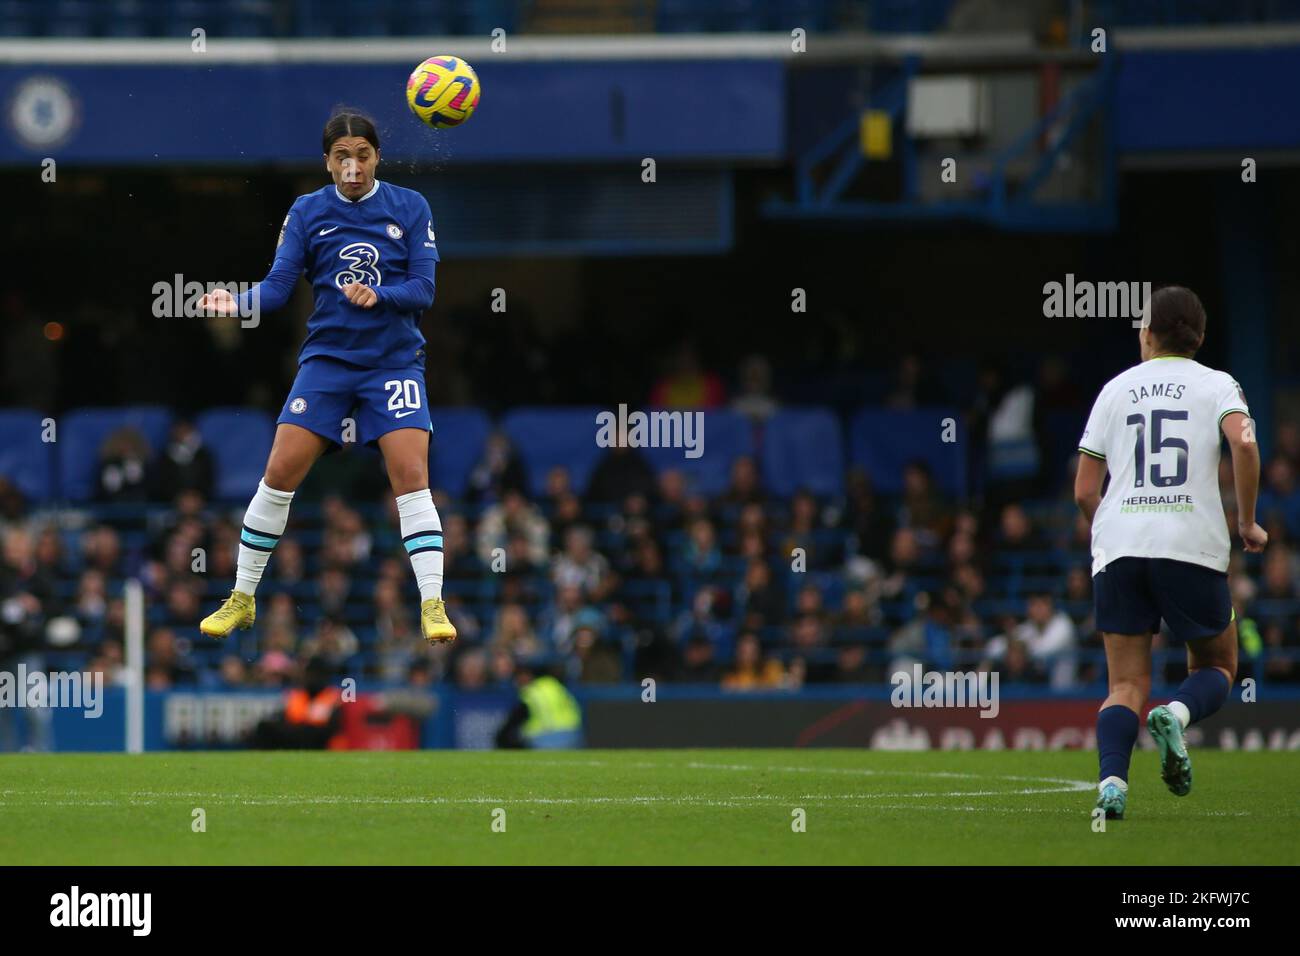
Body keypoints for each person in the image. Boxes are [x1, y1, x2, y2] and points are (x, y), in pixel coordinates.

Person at [198, 109, 455, 645]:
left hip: (393, 363)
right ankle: (242, 597)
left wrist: (379, 294)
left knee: (411, 474)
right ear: (327, 162)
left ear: (376, 157)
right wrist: (236, 300)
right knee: (280, 470)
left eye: (362, 155)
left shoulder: (410, 207)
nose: (353, 166)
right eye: (343, 157)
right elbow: (276, 288)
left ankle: (433, 603)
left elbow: (424, 291)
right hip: (329, 362)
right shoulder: (307, 211)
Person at [1074, 286, 1266, 820]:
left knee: (1125, 684)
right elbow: (1245, 443)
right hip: (1190, 544)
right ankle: (1177, 716)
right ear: (1199, 337)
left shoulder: (1114, 390)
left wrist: (1111, 533)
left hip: (1121, 548)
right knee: (1218, 664)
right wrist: (1246, 521)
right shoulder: (1217, 384)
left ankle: (1112, 783)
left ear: (1148, 335)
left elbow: (1085, 490)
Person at [494, 663, 583, 749]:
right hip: (572, 733)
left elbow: (519, 716)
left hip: (546, 738)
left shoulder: (529, 692)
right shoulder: (551, 683)